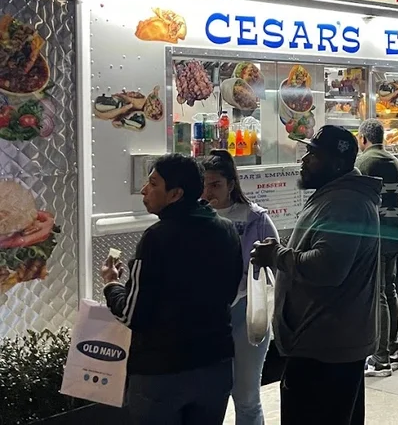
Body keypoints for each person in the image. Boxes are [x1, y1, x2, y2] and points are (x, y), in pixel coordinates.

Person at [250, 126, 381, 425]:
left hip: (326, 348)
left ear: (336, 164)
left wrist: (277, 256)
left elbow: (328, 267)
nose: (304, 160)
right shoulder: (335, 196)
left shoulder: (345, 203)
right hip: (324, 344)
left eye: (314, 155)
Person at [101, 154, 242, 424]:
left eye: (153, 184)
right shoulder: (226, 230)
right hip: (216, 365)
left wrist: (112, 285)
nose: (144, 190)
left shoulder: (156, 238)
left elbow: (132, 314)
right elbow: (230, 294)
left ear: (175, 194)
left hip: (161, 373)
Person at [202, 149, 278, 425]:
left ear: (231, 185)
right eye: (204, 184)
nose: (208, 191)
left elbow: (276, 261)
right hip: (207, 316)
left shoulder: (255, 218)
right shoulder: (194, 218)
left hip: (248, 311)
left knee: (245, 394)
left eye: (216, 184)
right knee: (210, 394)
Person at [356, 119, 398, 377]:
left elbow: (354, 201)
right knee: (389, 290)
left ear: (363, 139)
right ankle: (394, 350)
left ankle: (380, 359)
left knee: (377, 294)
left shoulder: (363, 163)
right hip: (394, 233)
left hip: (374, 237)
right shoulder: (396, 163)